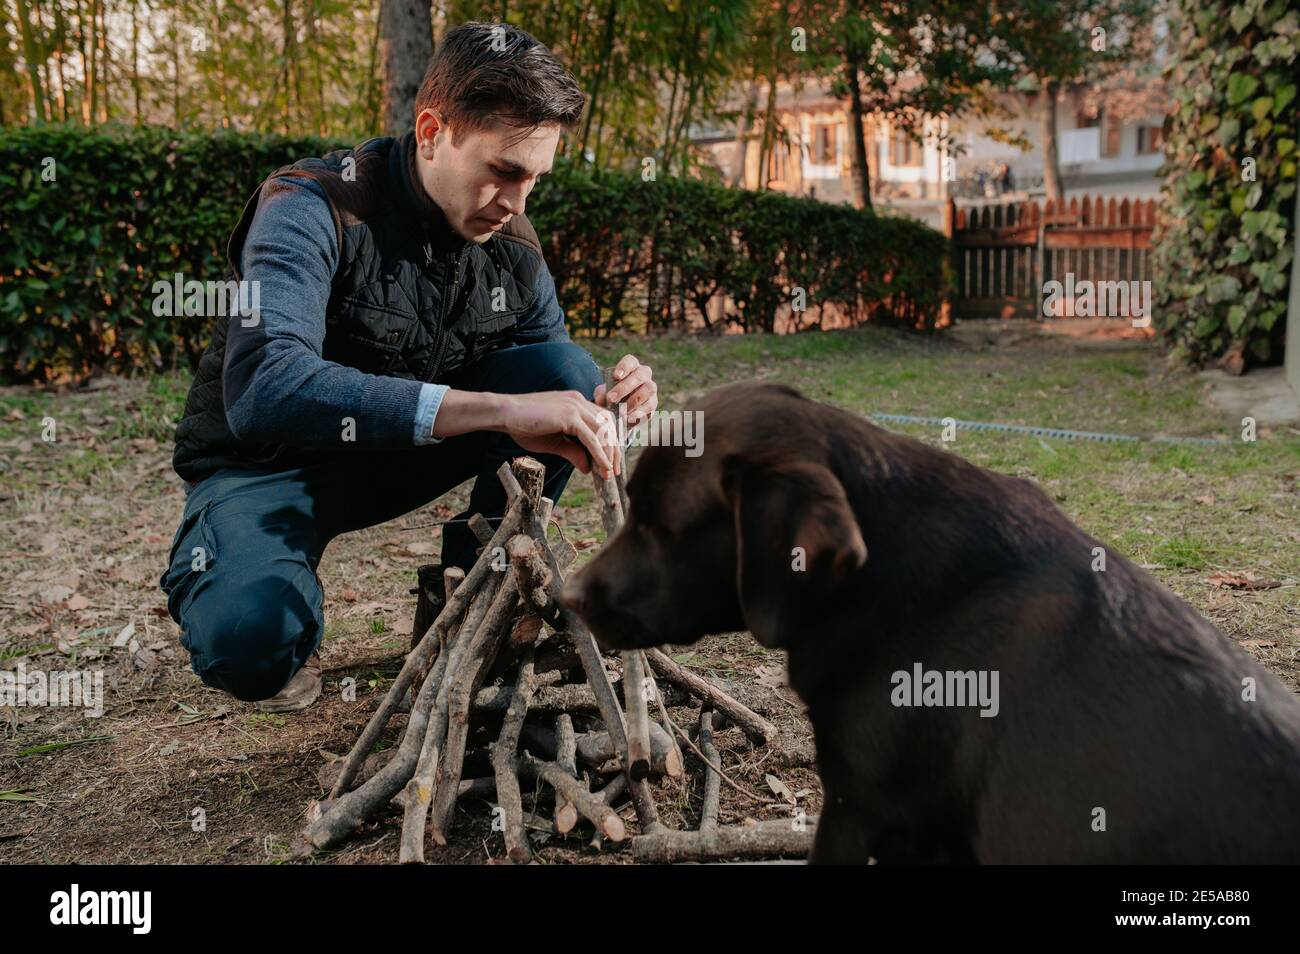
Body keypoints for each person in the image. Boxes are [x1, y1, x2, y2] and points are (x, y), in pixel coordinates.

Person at [158, 21, 658, 712]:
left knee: (568, 378)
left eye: (535, 180)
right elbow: (264, 388)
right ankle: (262, 594)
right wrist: (498, 411)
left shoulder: (512, 245)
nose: (517, 202)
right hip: (267, 465)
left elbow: (551, 383)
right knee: (250, 641)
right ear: (431, 132)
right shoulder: (310, 206)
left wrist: (609, 408)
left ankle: (470, 593)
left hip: (398, 453)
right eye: (504, 172)